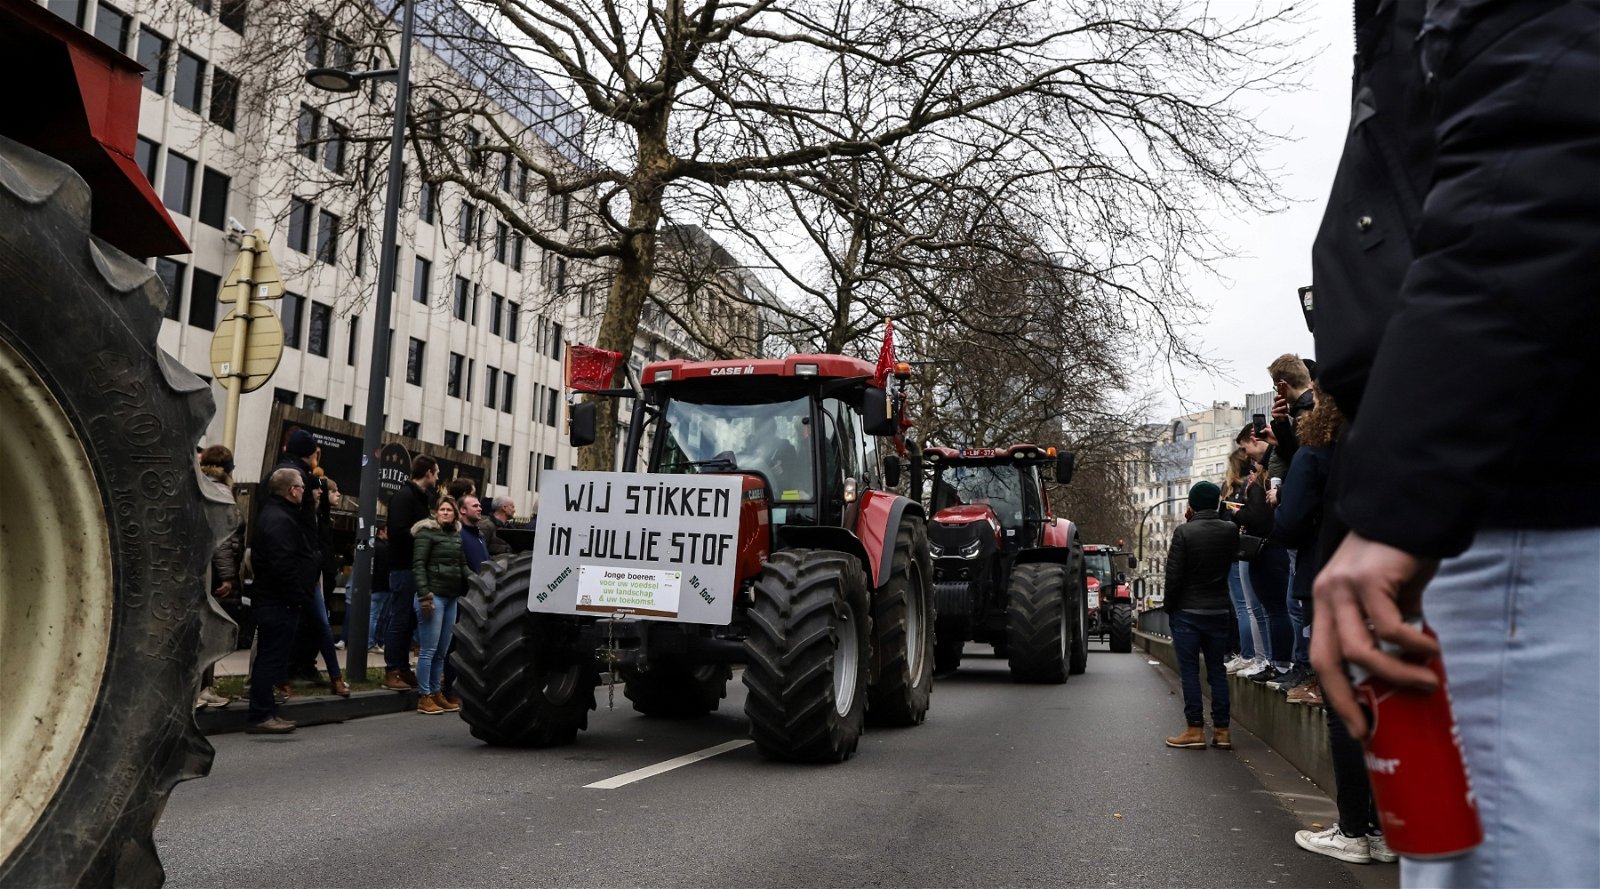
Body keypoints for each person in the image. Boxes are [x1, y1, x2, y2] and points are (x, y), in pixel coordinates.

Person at [1310, 3, 1599, 885]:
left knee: (1506, 857)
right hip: (1511, 480)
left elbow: (1538, 160)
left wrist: (1400, 508)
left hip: (1528, 510)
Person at [1162, 481, 1241, 751]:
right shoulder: (1230, 531)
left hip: (1188, 611)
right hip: (1219, 609)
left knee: (1190, 672)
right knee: (1217, 670)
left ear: (1191, 506)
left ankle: (1194, 729)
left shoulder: (1184, 532)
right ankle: (1222, 731)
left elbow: (1174, 576)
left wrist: (1169, 606)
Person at [245, 468, 319, 734]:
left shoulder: (278, 515)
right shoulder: (279, 519)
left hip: (276, 599)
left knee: (272, 658)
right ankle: (261, 714)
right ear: (292, 491)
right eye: (301, 486)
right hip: (277, 601)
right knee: (270, 659)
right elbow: (283, 563)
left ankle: (266, 711)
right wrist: (298, 594)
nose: (304, 491)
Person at [383, 456, 438, 690]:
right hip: (404, 567)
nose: (437, 478)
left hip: (415, 567)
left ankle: (403, 669)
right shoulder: (404, 497)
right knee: (400, 618)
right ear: (427, 473)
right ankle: (392, 670)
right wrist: (422, 532)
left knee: (409, 621)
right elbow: (397, 532)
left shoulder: (420, 498)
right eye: (435, 473)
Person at [196, 445, 243, 709]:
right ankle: (203, 689)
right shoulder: (223, 491)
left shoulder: (199, 486)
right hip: (216, 573)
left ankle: (201, 688)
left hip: (201, 569)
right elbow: (225, 540)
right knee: (212, 632)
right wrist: (227, 577)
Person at [411, 497, 467, 714]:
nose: (445, 512)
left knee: (442, 651)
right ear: (436, 513)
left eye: (448, 510)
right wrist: (425, 595)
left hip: (451, 597)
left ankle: (436, 692)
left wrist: (480, 581)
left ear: (455, 514)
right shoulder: (426, 533)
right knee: (428, 650)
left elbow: (462, 566)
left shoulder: (455, 536)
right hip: (433, 598)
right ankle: (424, 696)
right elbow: (418, 565)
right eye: (441, 509)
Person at [1219, 446, 1268, 678]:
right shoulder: (1248, 485)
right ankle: (1253, 655)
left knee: (1245, 606)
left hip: (1240, 549)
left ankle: (1251, 655)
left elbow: (1231, 518)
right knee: (1249, 607)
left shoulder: (1240, 489)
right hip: (1242, 548)